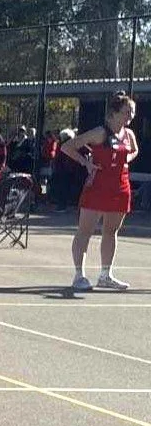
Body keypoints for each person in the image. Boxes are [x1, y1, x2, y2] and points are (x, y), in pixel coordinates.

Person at [63, 92, 139, 291]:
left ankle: (106, 274)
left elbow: (134, 151)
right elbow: (68, 146)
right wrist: (86, 163)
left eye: (132, 112)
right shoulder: (100, 132)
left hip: (121, 187)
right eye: (126, 112)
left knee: (111, 231)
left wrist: (124, 161)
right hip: (97, 187)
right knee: (85, 231)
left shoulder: (129, 134)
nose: (130, 116)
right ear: (114, 113)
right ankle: (79, 275)